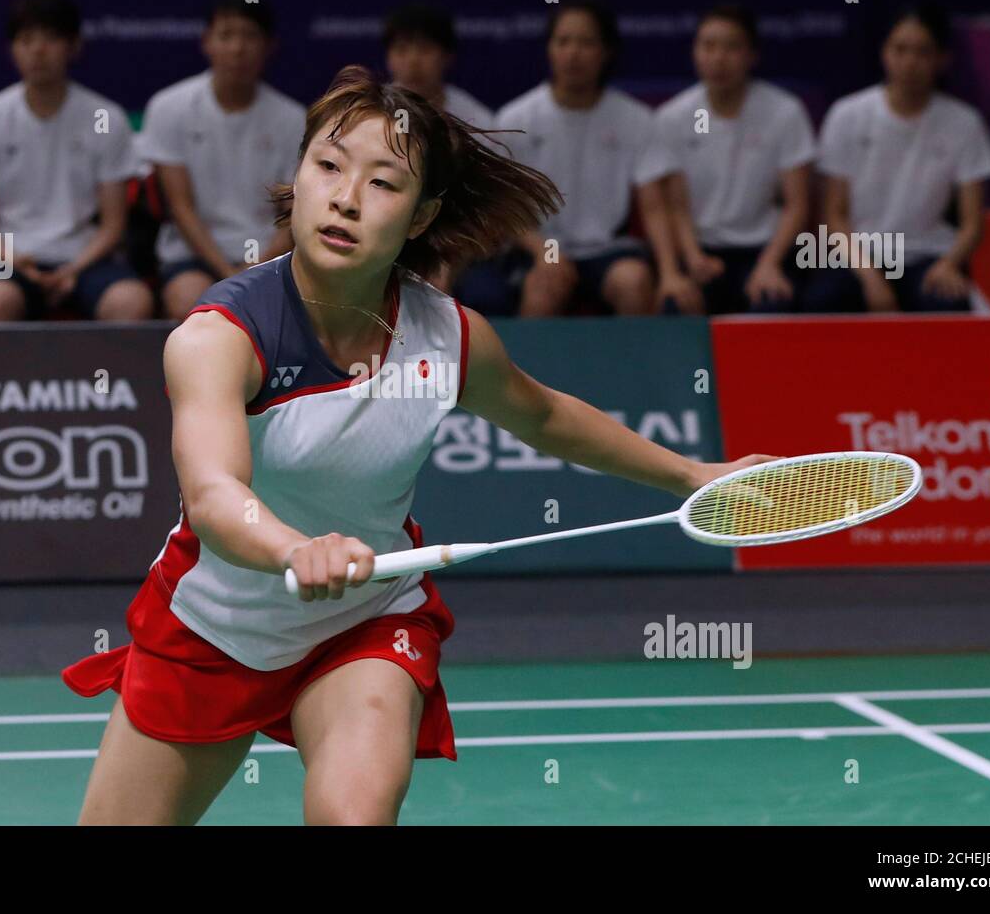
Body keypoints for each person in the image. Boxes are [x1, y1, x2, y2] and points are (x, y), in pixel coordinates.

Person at [61, 65, 773, 826]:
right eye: (328, 167)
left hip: (363, 618)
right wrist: (293, 549)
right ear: (296, 177)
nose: (345, 198)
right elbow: (213, 496)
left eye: (383, 184)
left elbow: (547, 418)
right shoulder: (219, 337)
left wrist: (696, 475)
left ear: (422, 214)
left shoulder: (446, 336)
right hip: (214, 625)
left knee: (353, 816)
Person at [460, 0, 689, 317]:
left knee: (634, 281)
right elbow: (502, 207)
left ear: (606, 51)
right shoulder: (517, 118)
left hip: (607, 247)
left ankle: (632, 366)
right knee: (545, 285)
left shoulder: (636, 118)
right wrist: (542, 252)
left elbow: (654, 206)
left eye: (586, 42)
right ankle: (528, 368)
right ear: (550, 49)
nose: (573, 53)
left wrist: (670, 273)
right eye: (563, 41)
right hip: (544, 246)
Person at [0, 0, 152, 322]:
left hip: (88, 259)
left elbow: (113, 223)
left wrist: (74, 268)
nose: (38, 50)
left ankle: (106, 377)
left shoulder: (106, 118)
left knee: (131, 301)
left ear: (74, 46)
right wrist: (15, 261)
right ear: (12, 49)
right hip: (9, 258)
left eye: (51, 39)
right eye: (26, 39)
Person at [802, 3, 990, 312]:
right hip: (859, 255)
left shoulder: (964, 123)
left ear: (942, 59)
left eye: (923, 52)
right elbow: (834, 216)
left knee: (948, 303)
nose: (910, 62)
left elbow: (973, 223)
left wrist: (949, 265)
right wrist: (870, 277)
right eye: (900, 49)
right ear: (884, 53)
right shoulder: (847, 114)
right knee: (821, 301)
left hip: (929, 255)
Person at [140, 0, 305, 318]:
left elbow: (295, 212)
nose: (237, 48)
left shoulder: (293, 119)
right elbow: (181, 207)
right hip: (192, 256)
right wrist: (228, 274)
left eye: (249, 36)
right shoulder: (168, 107)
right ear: (207, 42)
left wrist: (256, 269)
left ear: (269, 46)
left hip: (271, 256)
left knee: (290, 309)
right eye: (226, 35)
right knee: (189, 300)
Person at [657, 4, 815, 314]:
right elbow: (676, 206)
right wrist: (693, 259)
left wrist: (769, 264)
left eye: (731, 47)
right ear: (695, 52)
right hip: (703, 249)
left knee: (772, 301)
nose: (718, 58)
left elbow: (797, 205)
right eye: (708, 46)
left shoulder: (785, 111)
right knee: (677, 304)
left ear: (752, 55)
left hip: (765, 249)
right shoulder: (673, 117)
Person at [382, 2, 498, 295]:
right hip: (384, 242)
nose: (413, 61)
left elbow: (489, 214)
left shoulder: (478, 122)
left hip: (459, 250)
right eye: (402, 49)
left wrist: (450, 262)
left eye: (424, 50)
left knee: (485, 291)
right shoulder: (368, 117)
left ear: (447, 57)